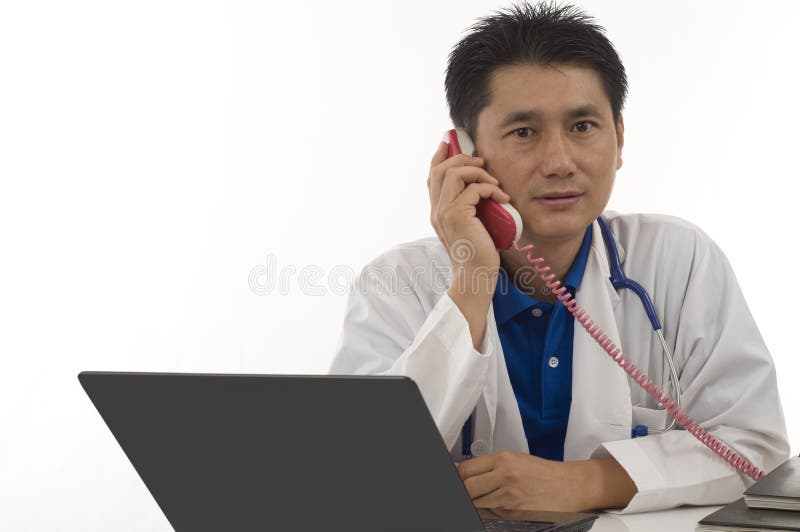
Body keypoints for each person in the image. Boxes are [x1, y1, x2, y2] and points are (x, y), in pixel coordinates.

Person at [329, 1, 789, 514]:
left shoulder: (677, 261)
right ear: (462, 151)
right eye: (523, 132)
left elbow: (754, 449)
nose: (558, 162)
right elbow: (357, 470)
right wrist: (473, 278)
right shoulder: (396, 284)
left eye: (583, 126)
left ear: (619, 138)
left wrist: (589, 483)